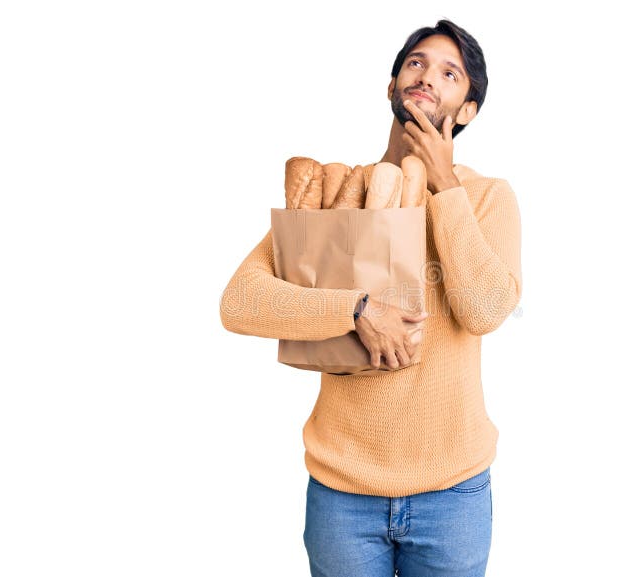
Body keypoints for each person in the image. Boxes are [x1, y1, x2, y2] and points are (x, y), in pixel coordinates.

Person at [220, 18, 522, 577]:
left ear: (469, 108)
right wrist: (356, 310)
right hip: (343, 493)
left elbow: (486, 310)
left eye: (449, 73)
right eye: (416, 63)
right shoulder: (340, 191)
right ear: (391, 86)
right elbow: (239, 300)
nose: (428, 76)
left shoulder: (485, 199)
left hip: (452, 494)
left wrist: (443, 184)